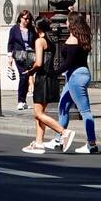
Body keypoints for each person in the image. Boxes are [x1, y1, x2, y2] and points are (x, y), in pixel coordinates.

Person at [22, 18, 71, 154]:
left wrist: (30, 72)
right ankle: (38, 142)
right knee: (40, 113)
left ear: (38, 29)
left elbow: (38, 63)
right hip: (50, 78)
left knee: (38, 113)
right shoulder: (51, 41)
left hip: (42, 78)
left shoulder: (39, 41)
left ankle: (64, 132)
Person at [56, 13, 100, 153]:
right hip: (79, 74)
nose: (65, 23)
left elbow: (68, 62)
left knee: (85, 111)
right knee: (63, 106)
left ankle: (91, 144)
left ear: (72, 23)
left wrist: (53, 73)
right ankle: (59, 139)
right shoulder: (82, 36)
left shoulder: (73, 39)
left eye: (67, 20)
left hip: (75, 76)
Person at [7, 9, 35, 110]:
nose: (27, 21)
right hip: (19, 55)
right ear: (20, 18)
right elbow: (10, 43)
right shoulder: (14, 29)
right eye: (25, 18)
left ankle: (23, 101)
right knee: (23, 76)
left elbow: (35, 41)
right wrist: (10, 56)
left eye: (29, 19)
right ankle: (20, 101)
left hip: (30, 55)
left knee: (27, 77)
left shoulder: (32, 29)